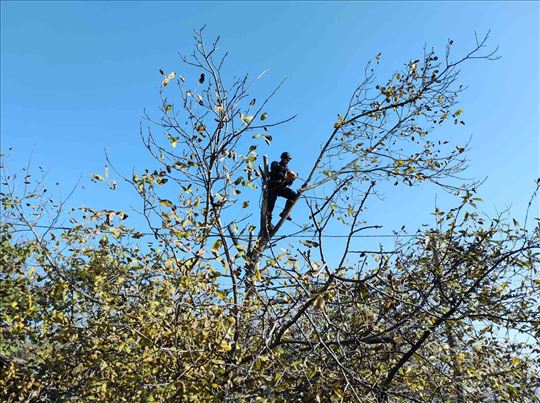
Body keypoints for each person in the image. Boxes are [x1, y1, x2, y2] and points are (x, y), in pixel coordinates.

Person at [267, 151, 298, 225]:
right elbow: (276, 168)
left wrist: (292, 178)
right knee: (269, 207)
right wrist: (285, 174)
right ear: (282, 158)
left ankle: (285, 212)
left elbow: (289, 183)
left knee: (294, 196)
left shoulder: (287, 170)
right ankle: (268, 224)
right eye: (287, 159)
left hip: (281, 187)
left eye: (288, 160)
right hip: (273, 187)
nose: (288, 162)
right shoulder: (275, 163)